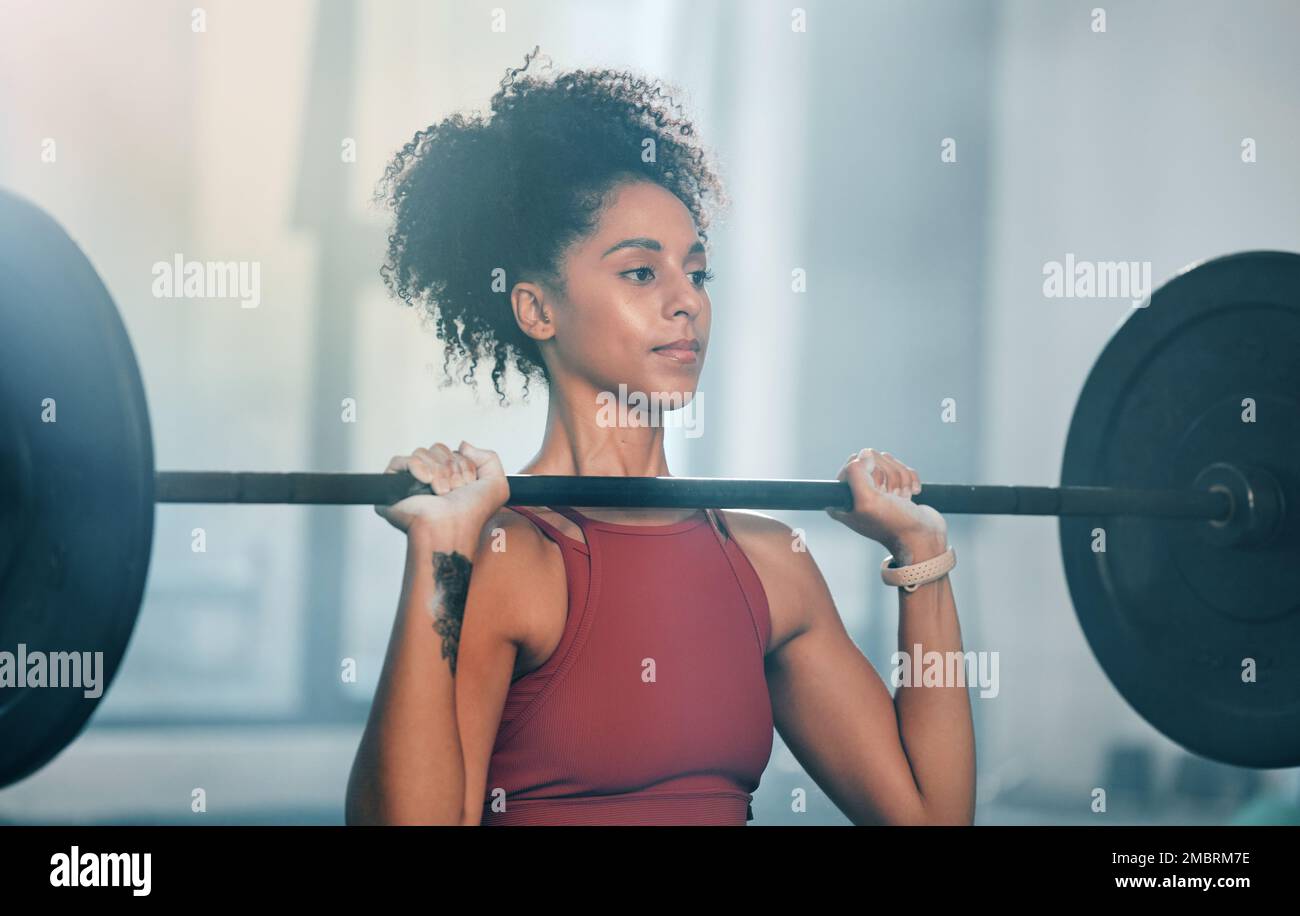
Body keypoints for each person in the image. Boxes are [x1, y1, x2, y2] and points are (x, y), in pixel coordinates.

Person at [345, 48, 974, 826]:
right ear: (538, 310)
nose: (688, 304)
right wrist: (440, 556)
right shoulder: (507, 561)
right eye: (642, 273)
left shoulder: (770, 564)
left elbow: (932, 821)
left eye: (697, 273)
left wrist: (924, 556)